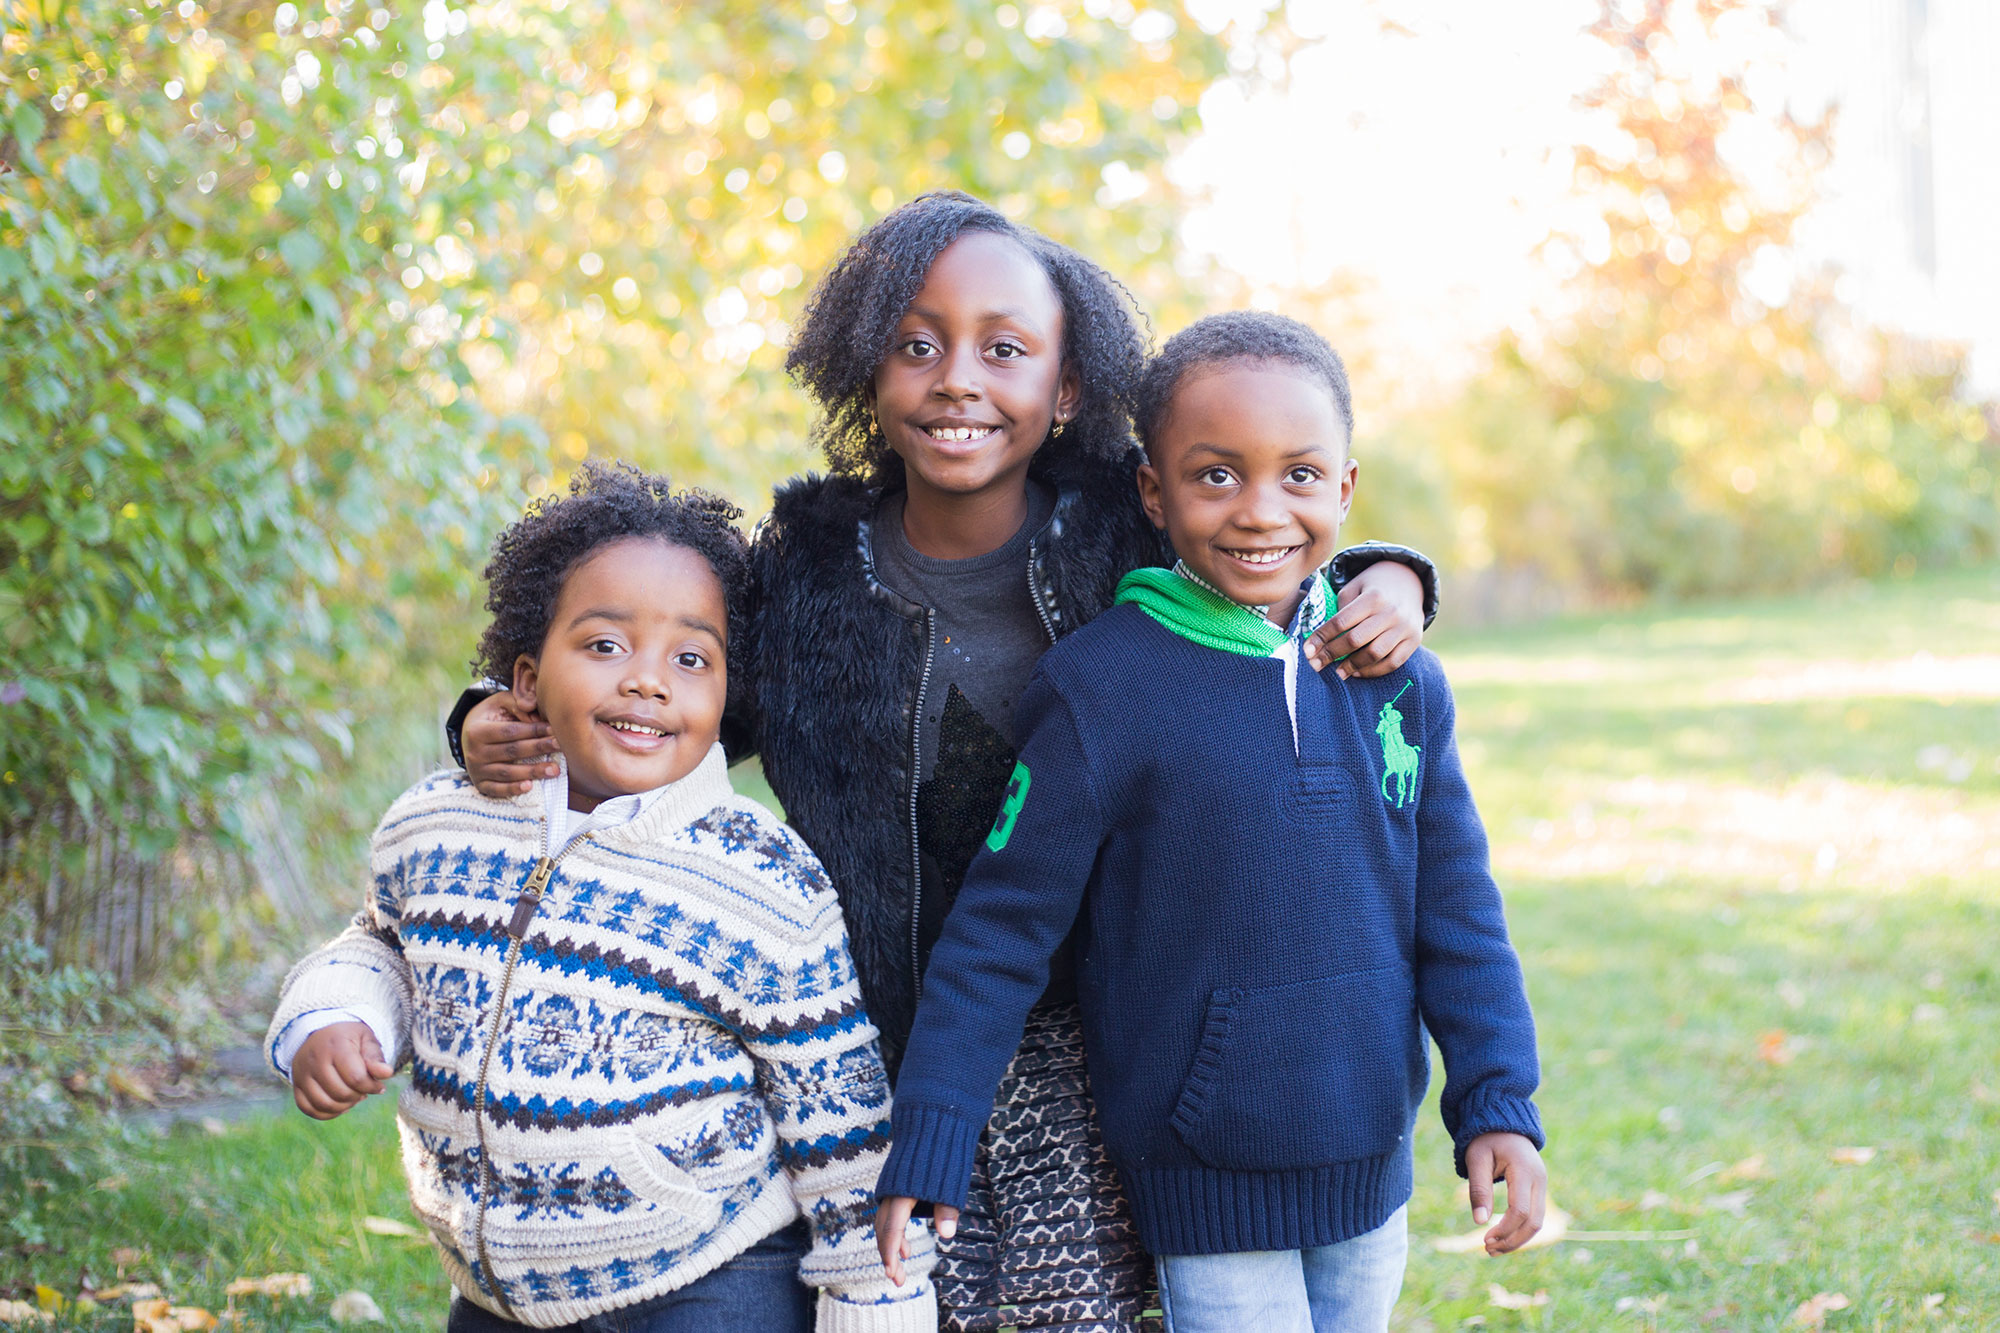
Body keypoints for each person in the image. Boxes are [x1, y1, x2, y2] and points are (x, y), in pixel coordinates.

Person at [456, 192, 1440, 1333]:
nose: (956, 379)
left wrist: (1392, 575)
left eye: (1005, 350)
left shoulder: (1123, 532)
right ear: (863, 369)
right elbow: (651, 685)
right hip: (867, 1040)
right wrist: (491, 712)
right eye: (915, 345)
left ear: (1067, 387)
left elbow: (1258, 549)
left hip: (1107, 1042)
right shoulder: (801, 575)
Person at [873, 312, 1547, 1333]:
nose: (1260, 511)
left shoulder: (1400, 681)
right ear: (1154, 491)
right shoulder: (1100, 689)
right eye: (1216, 475)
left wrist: (1495, 1099)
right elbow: (999, 930)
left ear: (1345, 489)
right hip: (1201, 1171)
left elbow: (1456, 912)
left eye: (1299, 476)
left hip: (1368, 1156)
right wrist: (934, 1128)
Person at [266, 462, 935, 1333]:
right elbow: (382, 941)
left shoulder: (758, 877)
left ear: (730, 691)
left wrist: (872, 1303)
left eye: (691, 657)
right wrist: (339, 1011)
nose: (648, 680)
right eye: (605, 645)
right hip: (495, 1294)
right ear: (527, 676)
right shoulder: (436, 824)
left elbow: (836, 1110)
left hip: (705, 1281)